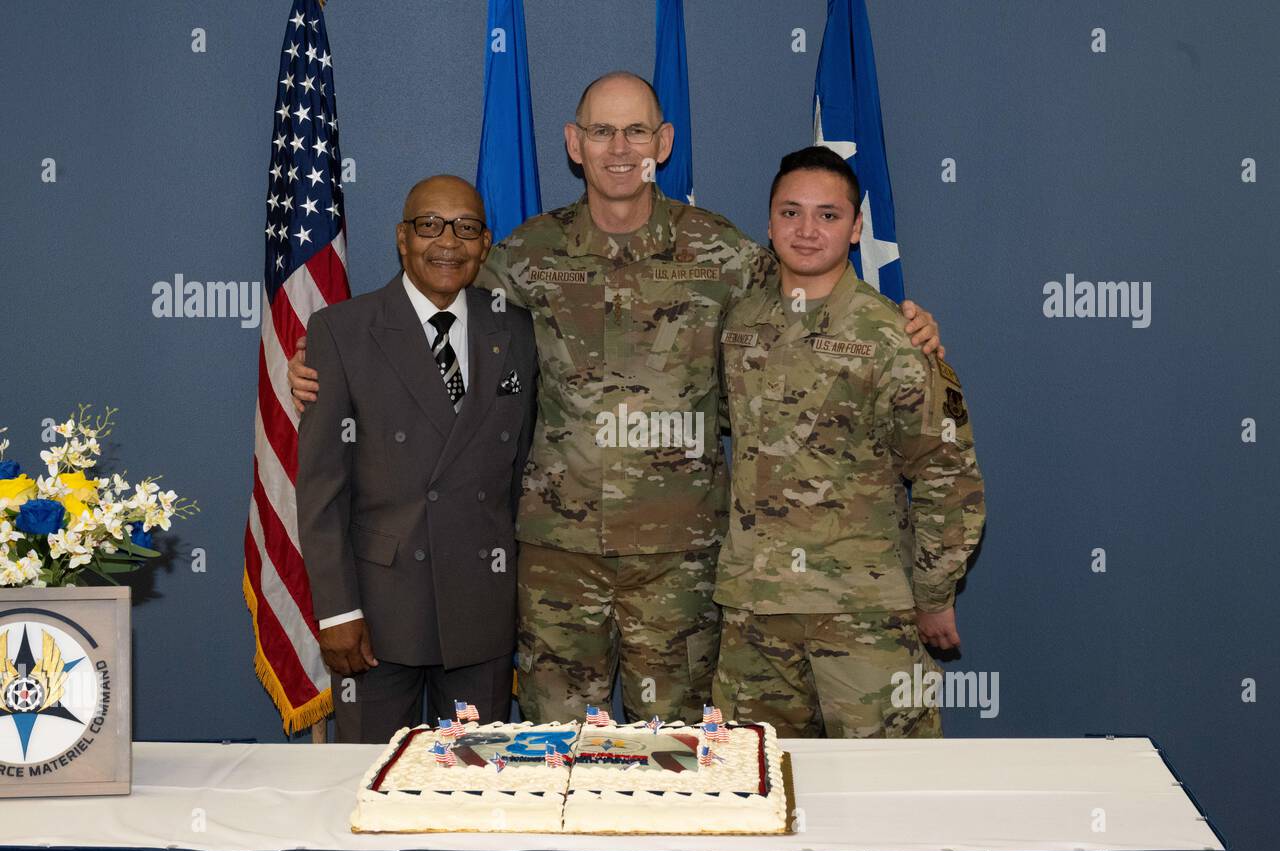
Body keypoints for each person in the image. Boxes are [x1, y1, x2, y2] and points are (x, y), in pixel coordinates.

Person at [290, 72, 945, 725]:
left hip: (679, 566)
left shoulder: (721, 252)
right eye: (602, 131)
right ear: (575, 143)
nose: (619, 147)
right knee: (553, 761)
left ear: (662, 142)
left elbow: (816, 295)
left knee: (676, 760)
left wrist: (903, 325)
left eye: (636, 131)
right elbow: (434, 293)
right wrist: (334, 357)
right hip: (558, 566)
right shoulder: (527, 254)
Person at [711, 146, 985, 738]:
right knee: (756, 799)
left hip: (863, 618)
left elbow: (947, 475)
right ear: (768, 223)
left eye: (828, 215)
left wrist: (934, 594)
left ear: (857, 226)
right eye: (791, 213)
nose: (807, 230)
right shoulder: (738, 324)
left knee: (891, 806)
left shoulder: (894, 336)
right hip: (755, 615)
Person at [296, 175, 537, 743]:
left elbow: (522, 468)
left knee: (478, 792)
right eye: (429, 225)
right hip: (379, 617)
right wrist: (337, 612)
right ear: (402, 238)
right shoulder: (342, 331)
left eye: (467, 227)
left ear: (485, 244)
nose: (447, 241)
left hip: (481, 610)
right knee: (371, 783)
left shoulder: (517, 329)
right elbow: (322, 491)